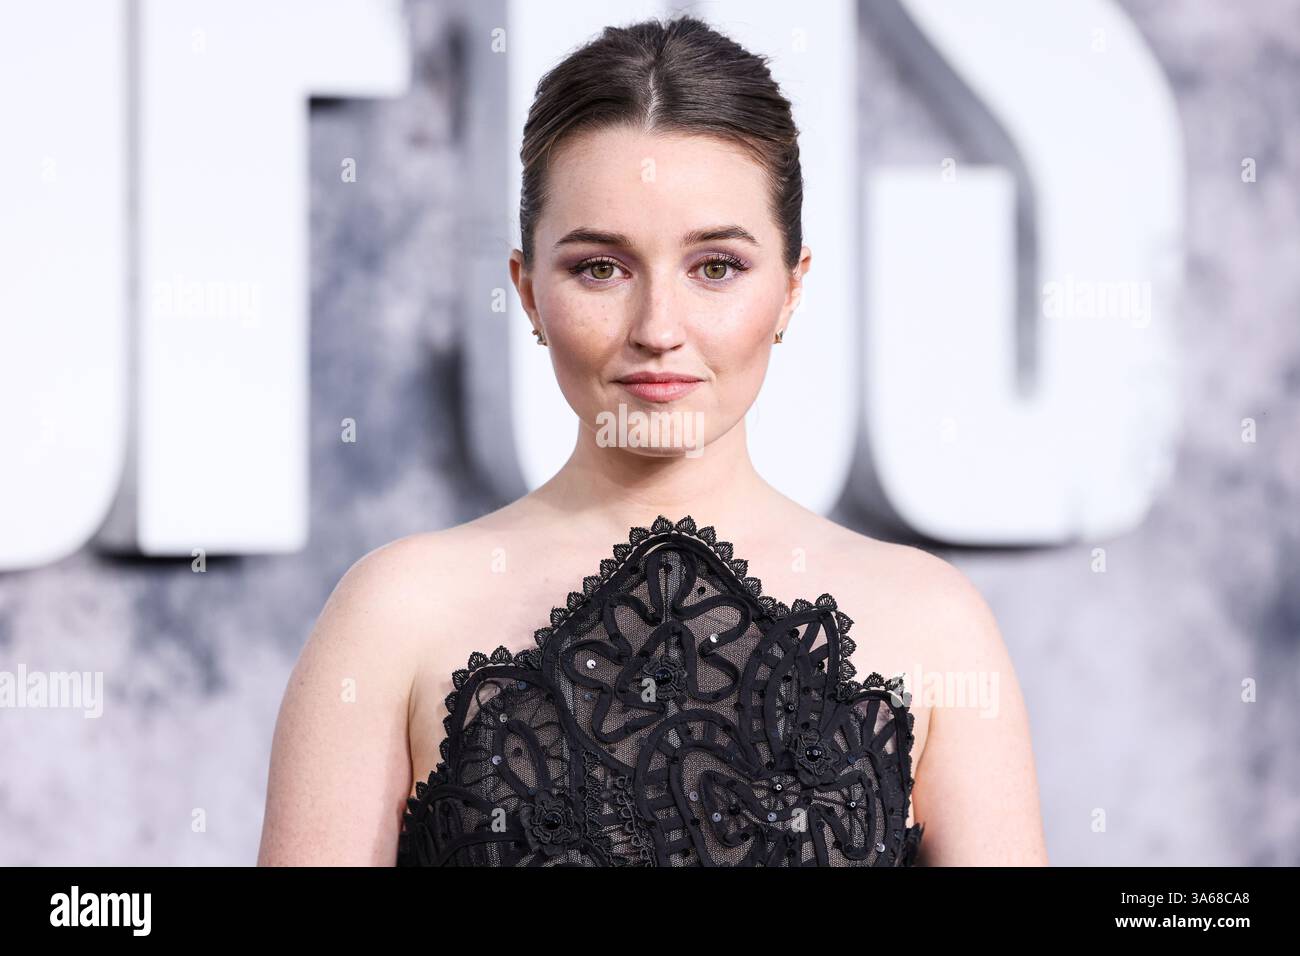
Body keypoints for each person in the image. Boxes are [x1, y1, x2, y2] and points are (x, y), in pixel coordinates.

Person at [257, 13, 1048, 867]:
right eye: (601, 267)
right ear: (527, 292)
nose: (658, 328)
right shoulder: (393, 616)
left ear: (790, 288)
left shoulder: (934, 625)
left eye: (716, 267)